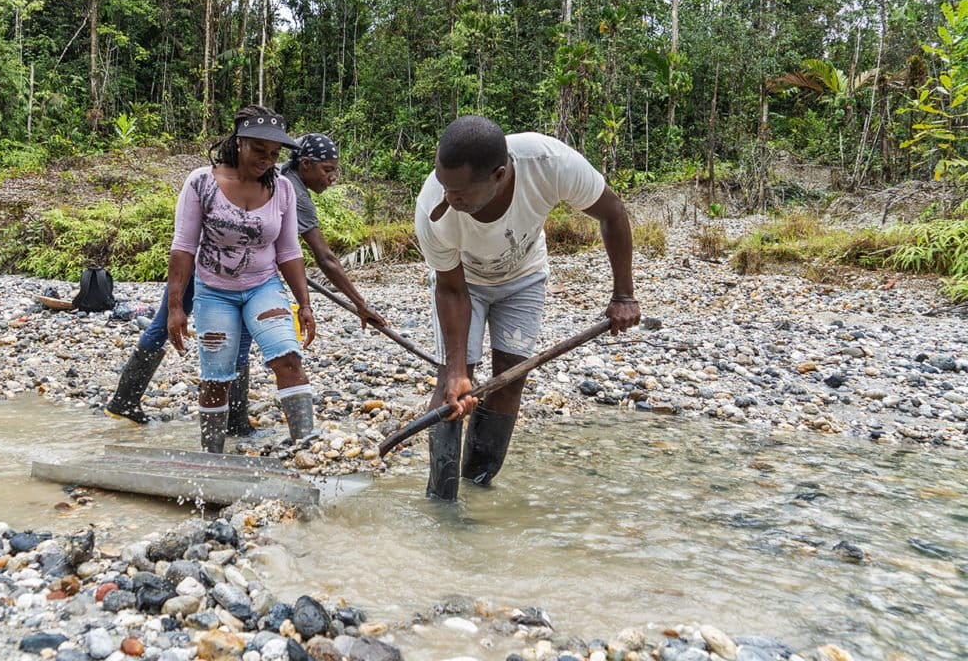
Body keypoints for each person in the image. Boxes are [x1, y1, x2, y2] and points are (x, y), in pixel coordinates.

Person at [414, 115, 641, 500]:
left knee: (510, 377)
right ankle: (442, 498)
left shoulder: (549, 163)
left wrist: (623, 295)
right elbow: (451, 291)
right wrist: (455, 370)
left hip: (524, 277)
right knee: (453, 387)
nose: (448, 200)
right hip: (465, 283)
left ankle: (479, 483)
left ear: (500, 175)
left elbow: (613, 212)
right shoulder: (432, 211)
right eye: (445, 187)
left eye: (461, 194)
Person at [103, 130, 387, 434]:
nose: (332, 178)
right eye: (327, 170)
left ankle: (126, 401)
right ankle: (234, 423)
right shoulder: (282, 185)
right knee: (193, 329)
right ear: (305, 164)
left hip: (220, 268)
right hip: (207, 269)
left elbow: (288, 249)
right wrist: (360, 304)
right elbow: (325, 258)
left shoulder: (279, 181)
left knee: (171, 326)